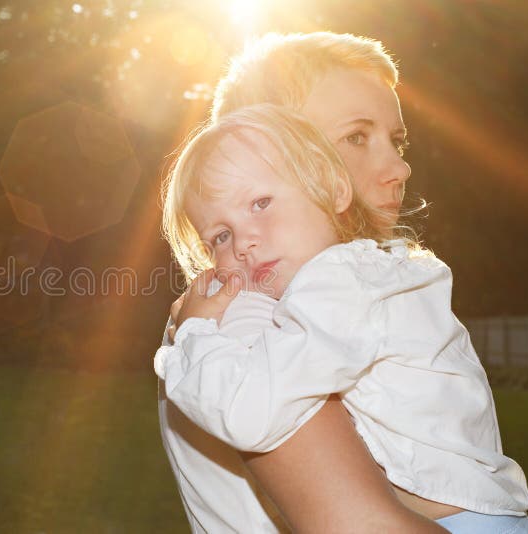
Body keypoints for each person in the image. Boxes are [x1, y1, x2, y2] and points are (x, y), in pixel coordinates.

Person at [155, 103, 528, 533]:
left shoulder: (338, 283)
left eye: (261, 203)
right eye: (220, 236)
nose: (244, 241)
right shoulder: (368, 276)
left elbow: (249, 415)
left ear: (335, 190)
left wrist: (194, 333)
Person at [157, 31, 446, 533]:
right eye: (356, 136)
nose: (399, 167)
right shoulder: (247, 320)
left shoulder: (315, 291)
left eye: (395, 141)